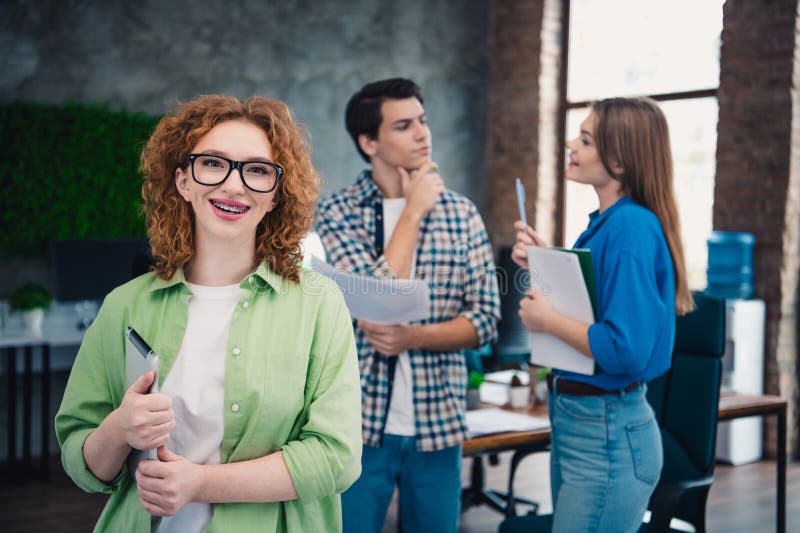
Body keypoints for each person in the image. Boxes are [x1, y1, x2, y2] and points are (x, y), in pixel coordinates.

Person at [55, 95, 362, 532]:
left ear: (275, 195)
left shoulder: (319, 304)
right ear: (183, 180)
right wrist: (119, 428)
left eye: (256, 170)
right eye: (213, 164)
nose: (234, 186)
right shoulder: (124, 305)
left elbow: (337, 458)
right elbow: (81, 460)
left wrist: (200, 483)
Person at [315, 78, 500, 532]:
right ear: (369, 141)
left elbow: (486, 321)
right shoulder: (337, 211)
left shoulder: (461, 213)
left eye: (423, 120)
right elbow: (376, 297)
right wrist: (413, 211)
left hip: (438, 425)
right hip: (357, 426)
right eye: (403, 125)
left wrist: (411, 338)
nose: (422, 133)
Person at [513, 96, 693, 532]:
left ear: (620, 159)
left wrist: (547, 321)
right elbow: (592, 309)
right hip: (584, 425)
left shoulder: (630, 229)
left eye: (586, 139)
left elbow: (625, 350)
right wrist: (544, 260)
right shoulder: (608, 224)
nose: (571, 143)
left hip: (607, 435)